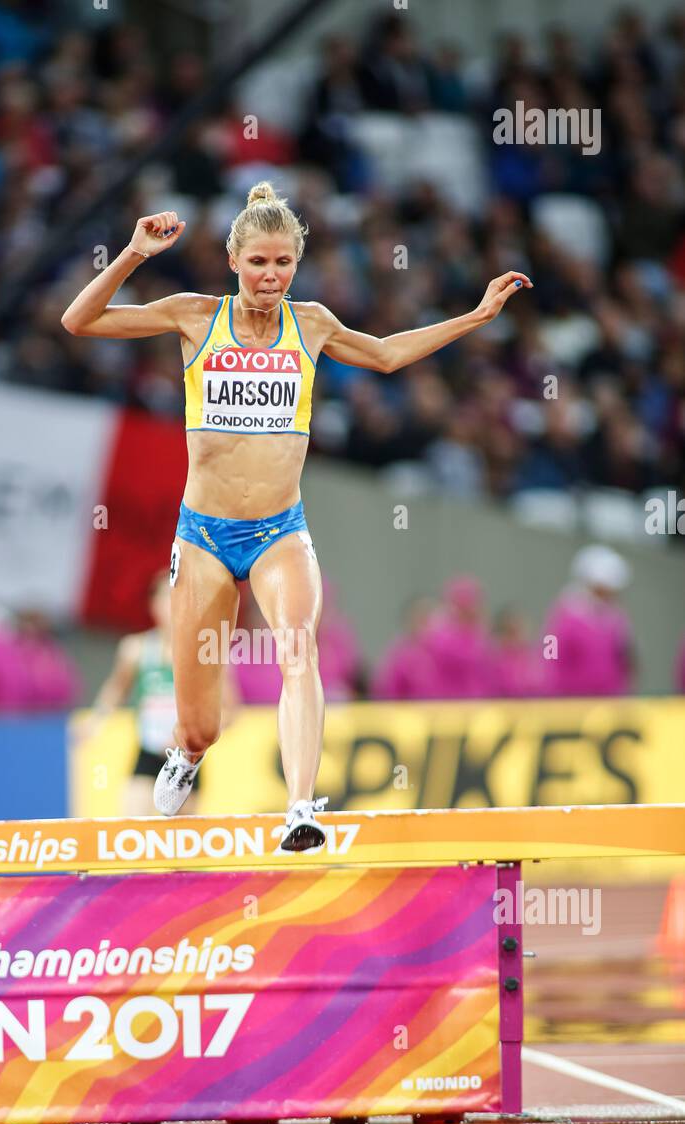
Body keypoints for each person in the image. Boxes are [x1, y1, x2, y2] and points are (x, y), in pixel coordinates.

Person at [61, 183, 532, 849]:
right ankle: (187, 756)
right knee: (201, 726)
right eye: (258, 262)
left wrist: (476, 317)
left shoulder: (310, 324)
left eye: (283, 263)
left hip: (279, 530)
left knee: (297, 647)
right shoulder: (195, 316)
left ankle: (302, 808)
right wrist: (134, 254)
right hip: (202, 535)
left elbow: (388, 354)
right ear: (233, 260)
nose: (270, 276)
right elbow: (78, 322)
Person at [78, 569, 238, 816]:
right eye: (165, 596)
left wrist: (193, 734)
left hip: (187, 763)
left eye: (179, 595)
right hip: (148, 754)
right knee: (134, 830)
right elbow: (116, 690)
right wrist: (96, 721)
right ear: (152, 604)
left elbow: (230, 712)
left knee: (182, 845)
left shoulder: (208, 652)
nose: (172, 604)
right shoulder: (135, 649)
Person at [542, 545, 634, 697]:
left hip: (607, 703)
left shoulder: (617, 619)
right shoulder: (565, 613)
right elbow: (549, 656)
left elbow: (625, 660)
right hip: (570, 703)